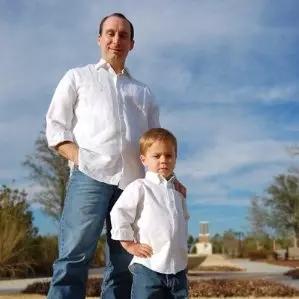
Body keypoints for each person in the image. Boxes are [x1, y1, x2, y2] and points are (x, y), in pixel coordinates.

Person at [45, 13, 186, 299]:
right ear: (100, 39)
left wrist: (169, 178)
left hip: (133, 185)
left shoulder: (143, 92)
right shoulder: (78, 77)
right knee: (74, 255)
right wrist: (81, 160)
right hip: (89, 177)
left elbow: (154, 144)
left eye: (123, 35)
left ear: (132, 44)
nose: (116, 40)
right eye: (110, 33)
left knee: (123, 265)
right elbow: (56, 127)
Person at [110, 128, 189, 299]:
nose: (163, 160)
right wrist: (129, 244)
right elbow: (119, 213)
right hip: (148, 267)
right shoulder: (140, 187)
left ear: (175, 158)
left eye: (169, 156)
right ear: (144, 159)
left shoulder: (178, 193)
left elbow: (182, 224)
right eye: (157, 156)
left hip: (178, 270)